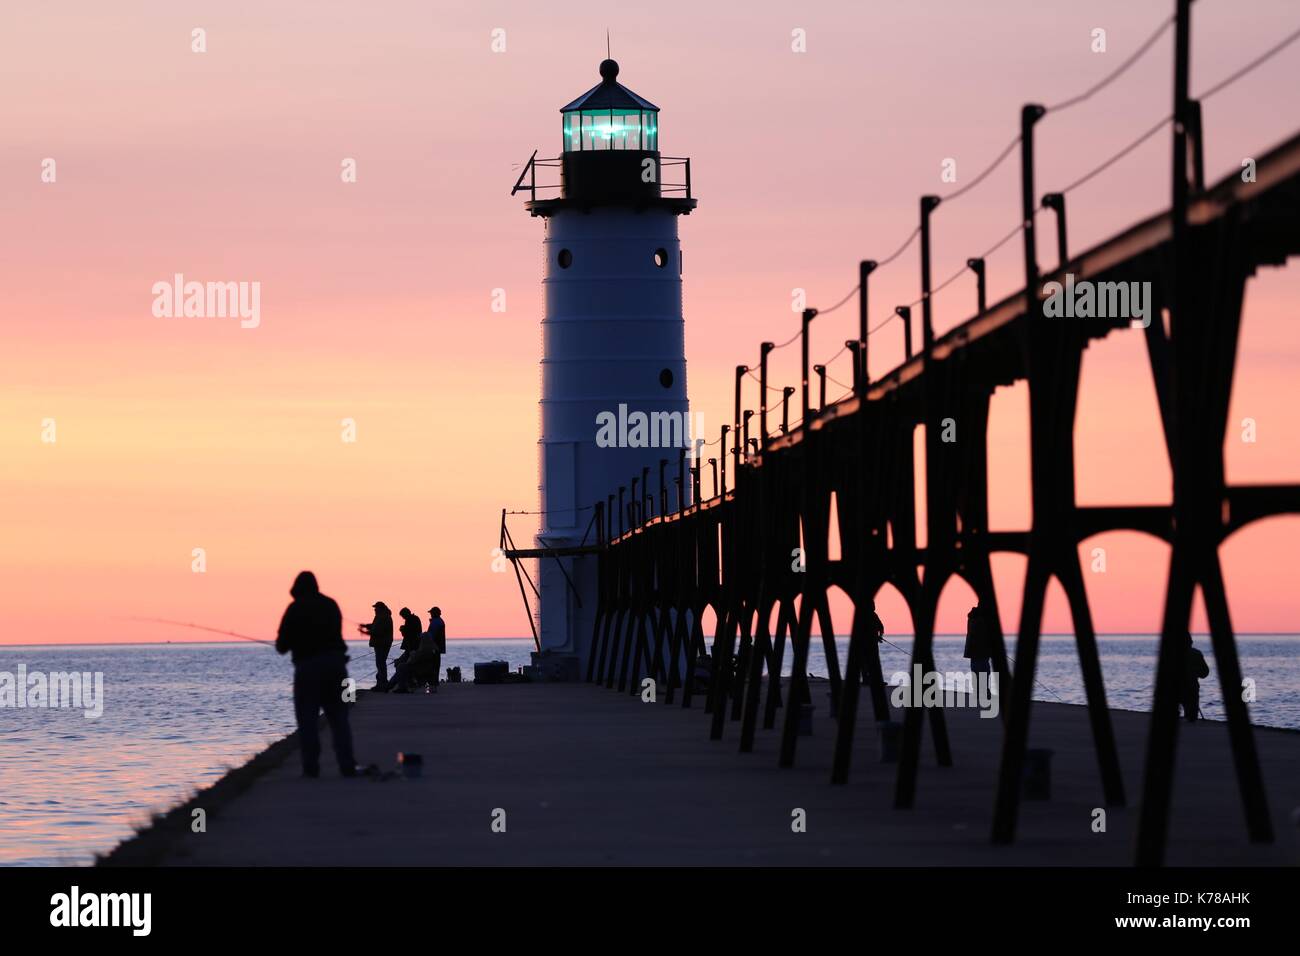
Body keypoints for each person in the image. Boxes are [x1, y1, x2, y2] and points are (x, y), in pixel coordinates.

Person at [275, 571, 359, 778]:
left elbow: (282, 646)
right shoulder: (331, 605)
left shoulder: (295, 608)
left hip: (307, 669)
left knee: (307, 720)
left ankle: (311, 768)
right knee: (340, 718)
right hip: (336, 667)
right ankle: (347, 765)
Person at [358, 601, 394, 690]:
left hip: (382, 643)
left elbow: (377, 631)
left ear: (380, 608)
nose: (374, 609)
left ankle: (383, 684)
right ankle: (381, 683)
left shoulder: (383, 617)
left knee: (380, 663)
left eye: (376, 608)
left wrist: (364, 632)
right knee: (380, 663)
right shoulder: (381, 616)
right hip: (381, 643)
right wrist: (366, 626)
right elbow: (375, 626)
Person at [1182, 632, 1210, 723]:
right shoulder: (1196, 654)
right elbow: (1205, 673)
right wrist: (1194, 673)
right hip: (1192, 687)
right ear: (1191, 642)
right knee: (1192, 717)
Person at [963, 604, 992, 677]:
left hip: (977, 650)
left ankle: (981, 687)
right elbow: (981, 633)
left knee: (980, 670)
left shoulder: (974, 616)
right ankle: (981, 687)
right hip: (980, 650)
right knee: (981, 670)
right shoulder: (979, 617)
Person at [426, 607, 447, 692]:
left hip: (434, 647)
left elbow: (431, 635)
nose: (430, 614)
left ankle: (433, 684)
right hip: (437, 647)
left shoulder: (436, 622)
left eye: (431, 613)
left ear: (435, 613)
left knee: (433, 666)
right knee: (435, 665)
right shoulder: (439, 621)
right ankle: (433, 684)